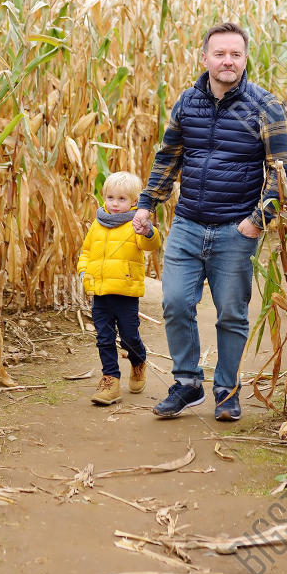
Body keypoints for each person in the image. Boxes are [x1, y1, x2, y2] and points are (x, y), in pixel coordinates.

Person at [133, 21, 287, 421]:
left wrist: (258, 221)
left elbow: (282, 174)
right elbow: (168, 158)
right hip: (188, 223)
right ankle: (187, 383)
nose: (227, 61)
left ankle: (226, 388)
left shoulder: (265, 106)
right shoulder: (187, 102)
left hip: (235, 229)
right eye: (219, 53)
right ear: (204, 57)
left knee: (230, 313)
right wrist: (147, 204)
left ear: (244, 59)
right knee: (174, 303)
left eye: (235, 54)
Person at [77, 171, 162, 406]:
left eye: (122, 199)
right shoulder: (98, 223)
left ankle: (138, 361)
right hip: (101, 292)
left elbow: (151, 244)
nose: (115, 203)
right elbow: (86, 251)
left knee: (128, 337)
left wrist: (147, 231)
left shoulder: (135, 224)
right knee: (104, 338)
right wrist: (84, 273)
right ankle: (110, 380)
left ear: (134, 202)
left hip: (125, 292)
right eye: (111, 197)